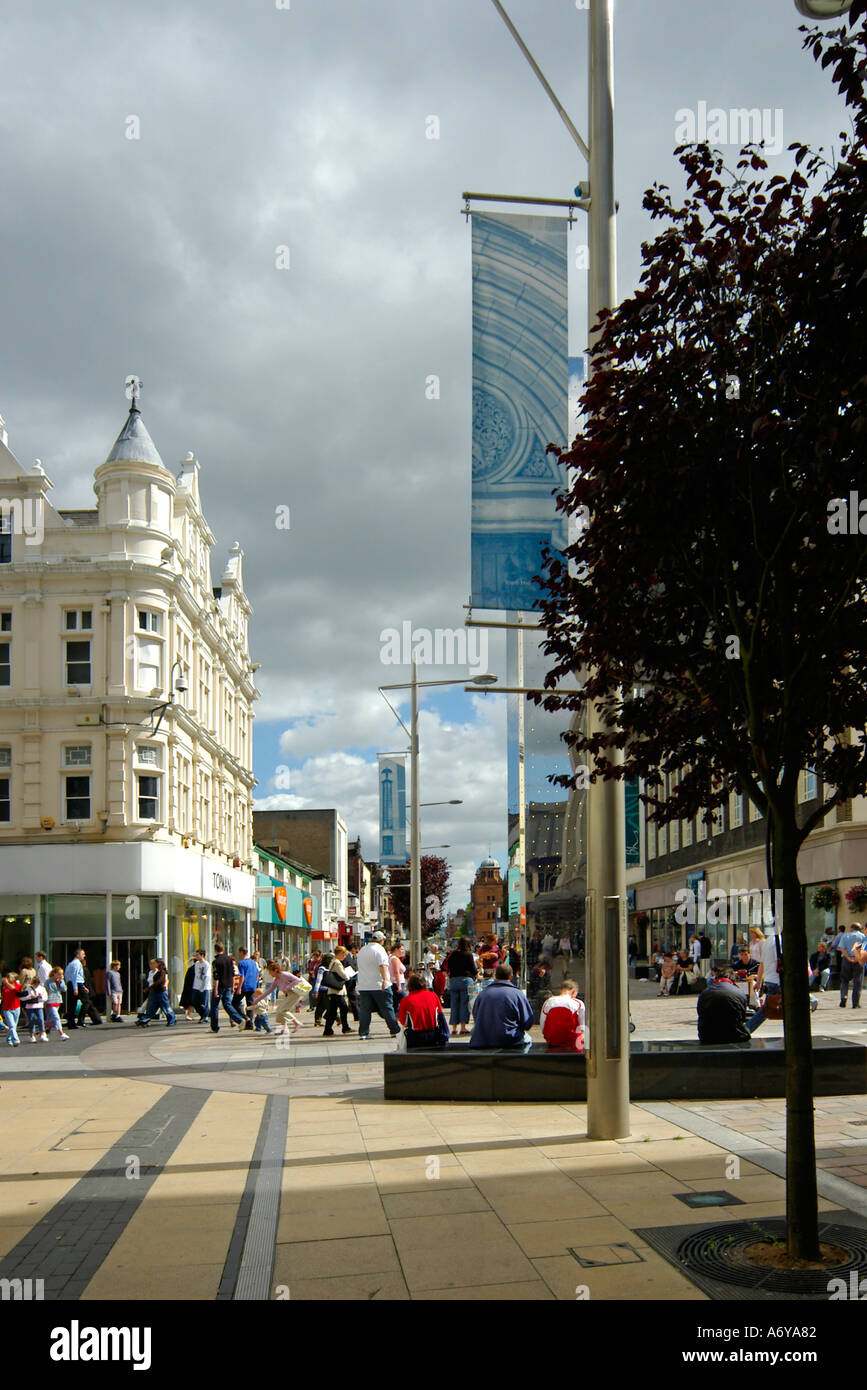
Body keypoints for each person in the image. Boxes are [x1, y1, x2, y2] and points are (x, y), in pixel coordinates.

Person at [468, 963, 534, 1048]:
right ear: (511, 976)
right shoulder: (517, 994)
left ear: (495, 976)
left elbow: (476, 1017)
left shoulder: (483, 994)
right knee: (528, 1038)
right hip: (509, 1040)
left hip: (482, 1040)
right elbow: (527, 1022)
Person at [355, 931, 400, 1041]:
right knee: (387, 1008)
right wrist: (385, 980)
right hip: (379, 985)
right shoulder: (380, 950)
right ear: (382, 940)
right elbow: (383, 966)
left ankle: (363, 1033)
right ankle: (394, 1030)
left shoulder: (362, 950)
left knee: (365, 1010)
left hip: (364, 985)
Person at [697, 969, 752, 1044]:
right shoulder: (739, 992)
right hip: (735, 1036)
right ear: (733, 980)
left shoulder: (704, 993)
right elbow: (742, 1017)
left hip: (707, 1036)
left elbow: (700, 1013)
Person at [397, 973, 449, 1048]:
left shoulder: (405, 1000)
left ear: (409, 985)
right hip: (434, 1034)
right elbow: (440, 1016)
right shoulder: (433, 996)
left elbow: (403, 1022)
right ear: (424, 984)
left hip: (416, 1036)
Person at [254, 960, 306, 1035]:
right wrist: (257, 1000)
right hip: (289, 995)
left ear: (275, 970)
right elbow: (268, 991)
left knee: (282, 1010)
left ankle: (297, 1023)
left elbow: (298, 980)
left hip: (295, 994)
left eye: (270, 971)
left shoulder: (285, 974)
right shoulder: (276, 981)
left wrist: (287, 988)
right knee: (279, 1010)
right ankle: (285, 1028)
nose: (269, 973)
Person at [746, 928, 782, 1034]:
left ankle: (747, 1028)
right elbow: (778, 962)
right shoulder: (778, 940)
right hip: (777, 980)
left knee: (769, 1008)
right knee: (768, 1009)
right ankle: (747, 1028)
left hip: (770, 979)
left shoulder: (767, 942)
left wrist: (759, 981)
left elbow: (761, 964)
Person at [540, 979, 585, 1051]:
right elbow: (582, 1027)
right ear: (574, 991)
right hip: (572, 1043)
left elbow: (542, 1026)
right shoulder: (578, 1003)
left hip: (552, 1042)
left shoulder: (548, 1002)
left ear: (561, 990)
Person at [445, 937, 478, 1036]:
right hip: (465, 981)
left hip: (454, 981)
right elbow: (473, 969)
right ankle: (463, 1027)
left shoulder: (453, 954)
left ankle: (454, 1028)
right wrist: (478, 975)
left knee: (454, 1004)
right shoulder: (468, 954)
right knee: (464, 1004)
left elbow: (447, 966)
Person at [210, 945, 246, 1033]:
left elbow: (216, 976)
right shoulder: (229, 960)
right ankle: (240, 1020)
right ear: (223, 949)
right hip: (229, 985)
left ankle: (214, 1027)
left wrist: (215, 989)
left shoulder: (216, 961)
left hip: (220, 985)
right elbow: (233, 974)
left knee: (214, 1006)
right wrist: (233, 986)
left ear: (215, 950)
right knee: (227, 1004)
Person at [322, 946, 354, 1037]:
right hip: (337, 991)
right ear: (340, 953)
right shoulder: (337, 963)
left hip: (333, 991)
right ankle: (345, 1027)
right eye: (344, 954)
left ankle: (328, 1029)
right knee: (343, 1008)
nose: (344, 957)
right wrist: (349, 975)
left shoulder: (333, 962)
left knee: (333, 1011)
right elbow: (344, 976)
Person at [137, 959, 176, 1027]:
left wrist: (148, 988)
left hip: (161, 992)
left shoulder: (161, 972)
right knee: (151, 1007)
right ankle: (144, 1019)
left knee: (165, 1007)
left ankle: (172, 1019)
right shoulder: (153, 972)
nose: (152, 965)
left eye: (154, 963)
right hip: (154, 992)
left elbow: (158, 982)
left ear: (158, 964)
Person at [838, 922, 867, 1009]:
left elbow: (842, 948)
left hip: (846, 960)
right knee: (858, 981)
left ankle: (844, 996)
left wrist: (848, 958)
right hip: (859, 959)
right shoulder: (863, 937)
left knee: (844, 980)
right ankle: (855, 1003)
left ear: (851, 928)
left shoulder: (845, 936)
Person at [235, 947, 261, 1030]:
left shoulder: (241, 963)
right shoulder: (253, 962)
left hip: (244, 986)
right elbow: (257, 974)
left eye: (239, 952)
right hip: (252, 986)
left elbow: (242, 976)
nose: (238, 954)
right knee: (250, 1004)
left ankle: (245, 1017)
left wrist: (239, 988)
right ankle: (250, 1024)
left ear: (242, 952)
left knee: (234, 1003)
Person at [64, 949, 86, 1031]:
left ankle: (71, 1021)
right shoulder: (76, 963)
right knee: (86, 1001)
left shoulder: (71, 963)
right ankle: (79, 1020)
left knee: (72, 1004)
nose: (84, 956)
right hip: (76, 984)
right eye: (82, 954)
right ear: (77, 955)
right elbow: (74, 976)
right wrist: (75, 988)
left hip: (74, 984)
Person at [21, 975, 48, 1042]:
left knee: (41, 1020)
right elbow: (22, 998)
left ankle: (42, 1034)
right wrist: (30, 997)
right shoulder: (28, 989)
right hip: (30, 1007)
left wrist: (39, 997)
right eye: (35, 982)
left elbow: (45, 998)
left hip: (39, 1006)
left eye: (38, 982)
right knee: (31, 1020)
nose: (36, 984)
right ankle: (32, 1035)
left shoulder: (42, 988)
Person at [44, 968, 69, 1039]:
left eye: (62, 974)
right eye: (59, 974)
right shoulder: (48, 981)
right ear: (54, 973)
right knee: (56, 1017)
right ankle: (61, 1033)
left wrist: (61, 981)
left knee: (49, 1018)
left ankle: (43, 1031)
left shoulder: (61, 981)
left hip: (57, 1000)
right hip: (50, 1000)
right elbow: (46, 991)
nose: (60, 975)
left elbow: (64, 989)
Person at [2, 971, 22, 1046]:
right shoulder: (4, 987)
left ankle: (9, 1039)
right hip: (7, 1009)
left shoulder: (17, 985)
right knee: (12, 1025)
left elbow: (14, 989)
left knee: (13, 1026)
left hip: (16, 1008)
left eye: (9, 977)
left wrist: (7, 983)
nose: (7, 979)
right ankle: (16, 1040)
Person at [192, 949, 212, 1022]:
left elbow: (207, 976)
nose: (196, 956)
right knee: (194, 1001)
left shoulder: (206, 964)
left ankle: (205, 1016)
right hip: (196, 985)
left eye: (198, 955)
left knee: (205, 1002)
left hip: (205, 987)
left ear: (202, 955)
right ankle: (202, 1014)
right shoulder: (197, 964)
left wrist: (203, 987)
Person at [388, 943, 407, 1014]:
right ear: (396, 949)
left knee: (395, 1004)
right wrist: (399, 985)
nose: (402, 951)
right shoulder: (395, 959)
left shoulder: (392, 958)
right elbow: (396, 972)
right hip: (397, 983)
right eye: (401, 949)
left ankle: (394, 1020)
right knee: (406, 1000)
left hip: (395, 982)